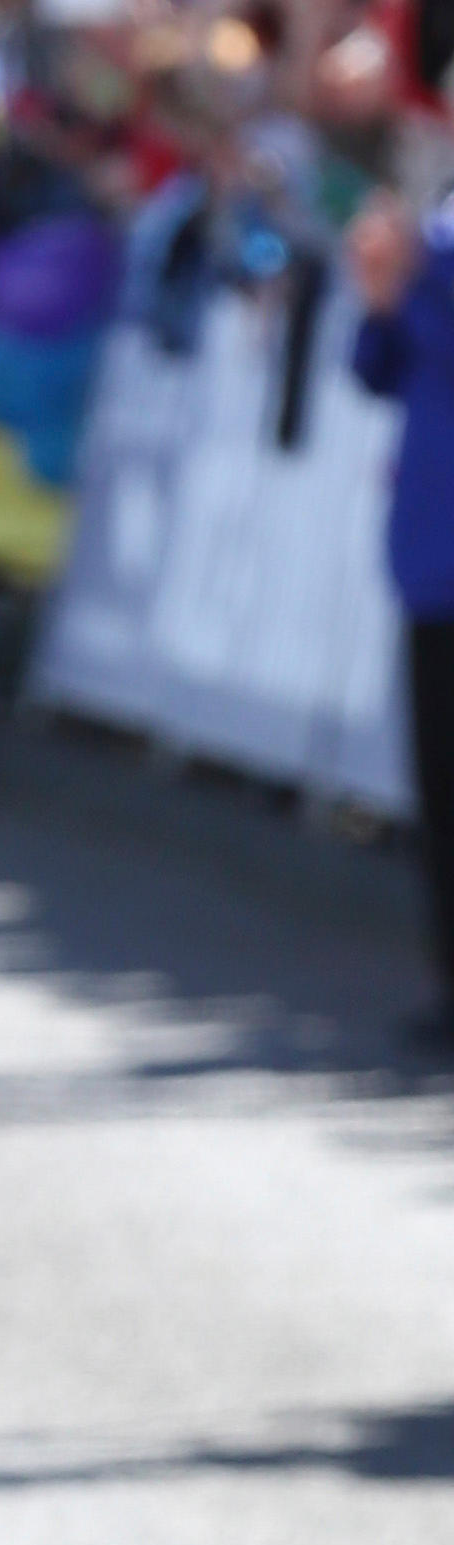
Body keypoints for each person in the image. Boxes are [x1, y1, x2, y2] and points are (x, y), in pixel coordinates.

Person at [348, 183, 454, 1024]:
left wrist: (422, 269)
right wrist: (385, 295)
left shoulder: (437, 250)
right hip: (432, 560)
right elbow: (373, 366)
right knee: (440, 789)